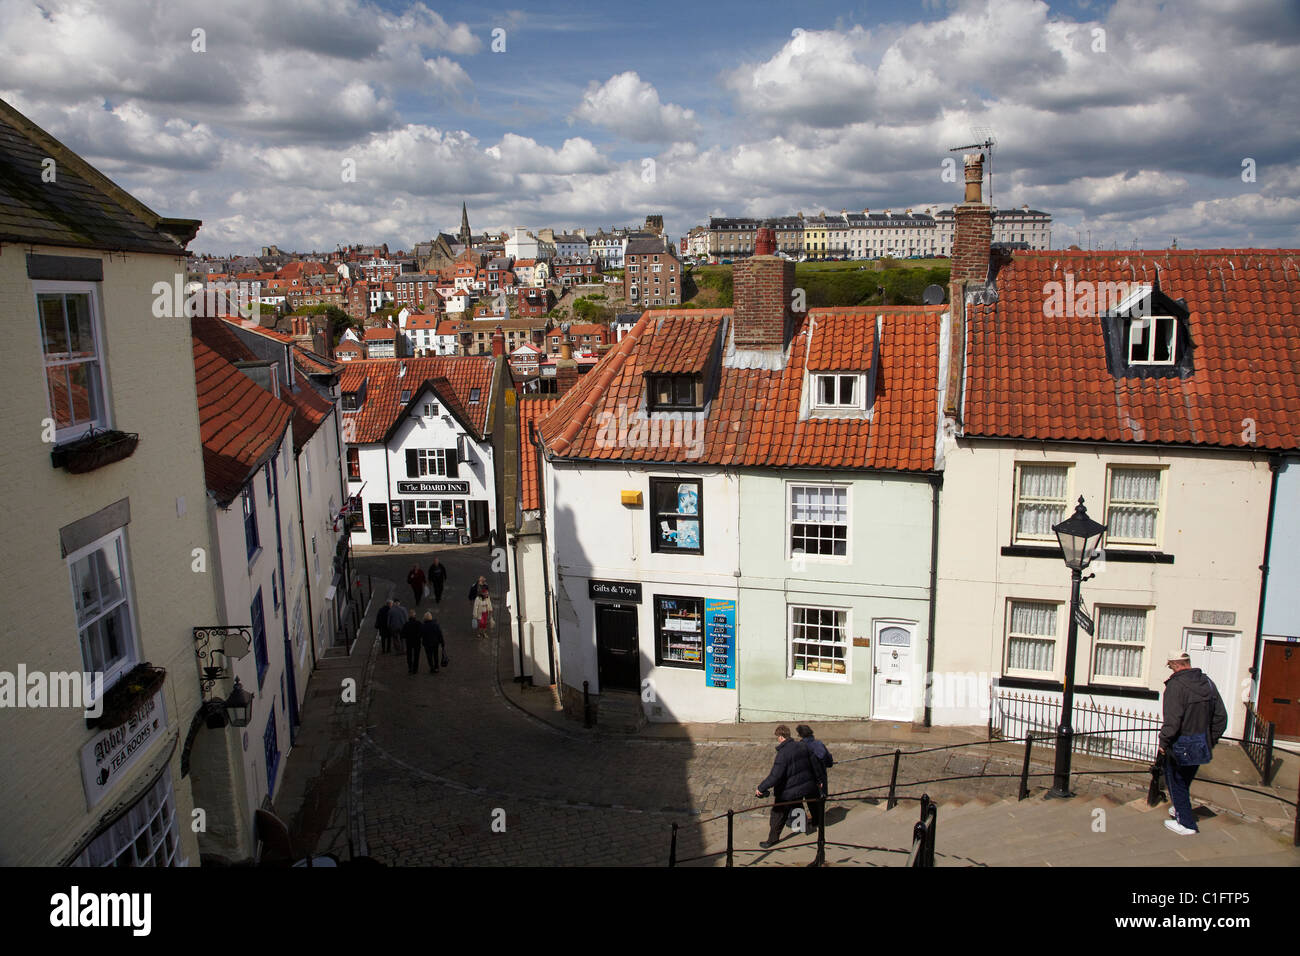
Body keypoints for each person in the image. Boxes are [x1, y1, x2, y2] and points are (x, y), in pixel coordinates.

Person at [1158, 651, 1227, 835]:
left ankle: (1186, 824)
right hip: (1201, 744)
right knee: (1185, 780)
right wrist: (1209, 740)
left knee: (1176, 781)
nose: (1170, 670)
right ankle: (1180, 809)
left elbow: (1172, 722)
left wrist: (1163, 743)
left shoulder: (1175, 685)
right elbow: (1221, 717)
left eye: (1170, 666)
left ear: (1176, 664)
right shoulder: (1208, 683)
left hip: (1180, 744)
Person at [755, 724, 823, 849]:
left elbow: (775, 776)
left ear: (781, 737)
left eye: (778, 737)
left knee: (777, 815)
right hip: (802, 786)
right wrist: (819, 780)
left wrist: (761, 788)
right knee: (797, 805)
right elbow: (814, 763)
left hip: (787, 790)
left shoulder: (783, 754)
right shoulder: (802, 746)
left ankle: (772, 840)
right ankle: (807, 828)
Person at [796, 724, 834, 799]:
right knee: (821, 805)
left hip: (809, 783)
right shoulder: (819, 744)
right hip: (822, 782)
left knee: (813, 805)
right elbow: (829, 762)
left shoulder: (801, 746)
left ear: (800, 735)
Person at [401, 608, 422, 675]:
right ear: (415, 615)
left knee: (409, 655)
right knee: (416, 655)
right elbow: (422, 633)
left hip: (409, 642)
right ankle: (415, 669)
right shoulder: (418, 623)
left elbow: (402, 634)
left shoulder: (406, 624)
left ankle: (410, 668)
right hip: (417, 642)